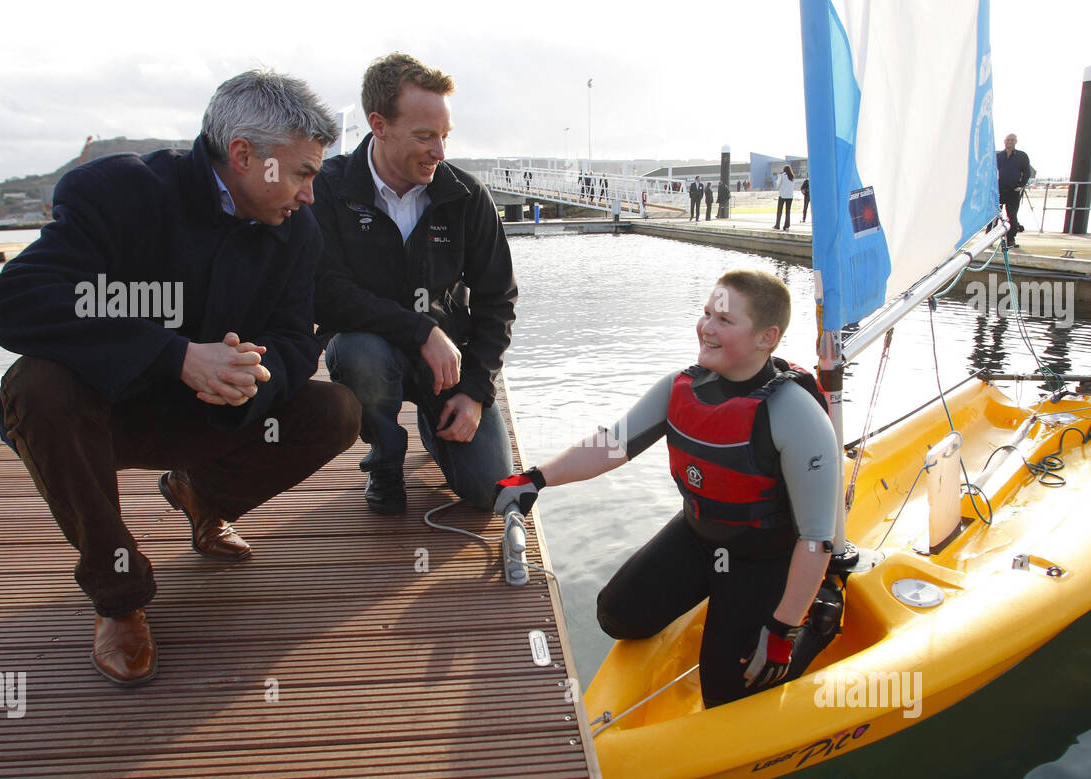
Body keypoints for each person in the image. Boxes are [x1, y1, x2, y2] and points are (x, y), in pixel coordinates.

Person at [0, 70, 362, 686]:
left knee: (337, 410)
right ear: (244, 157)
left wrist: (253, 377)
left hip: (212, 414)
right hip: (105, 411)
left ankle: (201, 497)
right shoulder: (118, 192)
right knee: (34, 388)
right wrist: (174, 355)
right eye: (303, 173)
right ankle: (119, 595)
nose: (309, 194)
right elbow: (12, 303)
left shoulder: (296, 230)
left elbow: (297, 338)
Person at [493, 270, 842, 707]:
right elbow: (610, 445)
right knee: (616, 615)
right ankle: (722, 600)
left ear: (766, 337)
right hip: (700, 536)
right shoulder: (683, 386)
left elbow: (816, 539)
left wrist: (783, 628)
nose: (706, 328)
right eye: (706, 313)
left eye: (724, 320)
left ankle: (822, 616)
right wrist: (535, 479)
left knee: (727, 691)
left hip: (764, 557)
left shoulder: (796, 415)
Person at [313, 53, 517, 515]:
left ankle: (434, 416)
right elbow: (324, 292)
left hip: (449, 365)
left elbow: (498, 299)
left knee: (489, 491)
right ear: (378, 124)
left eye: (445, 136)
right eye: (425, 136)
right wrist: (420, 331)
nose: (440, 152)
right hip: (370, 351)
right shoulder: (328, 190)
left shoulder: (465, 196)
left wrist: (475, 390)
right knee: (362, 352)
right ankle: (385, 459)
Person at [997, 133, 1031, 248]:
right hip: (999, 190)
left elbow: (1027, 172)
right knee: (994, 216)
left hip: (1013, 191)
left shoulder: (1022, 156)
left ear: (1016, 142)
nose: (1009, 142)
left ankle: (1010, 240)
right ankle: (988, 238)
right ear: (1004, 142)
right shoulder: (999, 156)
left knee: (1012, 216)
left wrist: (1021, 185)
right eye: (1007, 140)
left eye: (1012, 140)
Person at [774, 165, 795, 230]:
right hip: (790, 196)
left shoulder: (782, 176)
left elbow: (777, 185)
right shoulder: (792, 177)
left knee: (779, 211)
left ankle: (777, 225)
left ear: (784, 170)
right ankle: (787, 226)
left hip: (782, 195)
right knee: (788, 211)